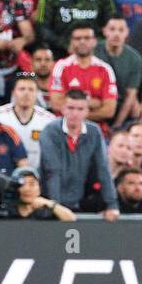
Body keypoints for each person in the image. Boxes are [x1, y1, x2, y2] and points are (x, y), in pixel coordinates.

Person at [38, 88, 118, 218]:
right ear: (63, 108)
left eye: (80, 109)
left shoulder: (95, 132)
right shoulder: (50, 131)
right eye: (71, 108)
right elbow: (52, 171)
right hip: (51, 203)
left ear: (87, 111)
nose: (75, 113)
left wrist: (112, 205)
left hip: (81, 201)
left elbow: (103, 169)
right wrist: (57, 209)